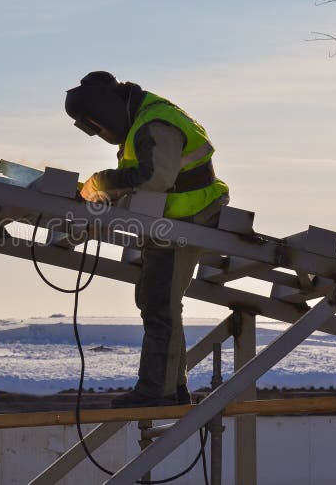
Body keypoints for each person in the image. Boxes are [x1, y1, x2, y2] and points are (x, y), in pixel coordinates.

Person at [64, 71, 229, 408]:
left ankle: (159, 390)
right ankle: (172, 387)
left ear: (106, 113)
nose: (102, 135)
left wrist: (100, 183)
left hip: (185, 218)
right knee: (159, 301)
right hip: (173, 219)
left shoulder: (155, 123)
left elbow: (154, 177)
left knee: (160, 304)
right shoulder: (145, 118)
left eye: (99, 128)